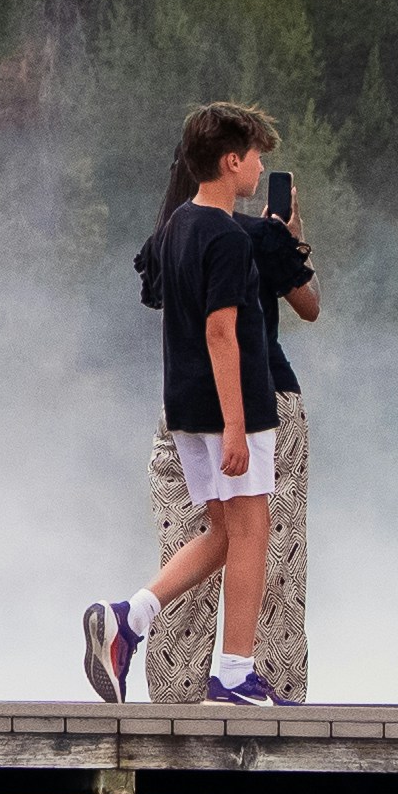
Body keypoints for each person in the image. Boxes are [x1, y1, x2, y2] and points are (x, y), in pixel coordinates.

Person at [105, 104, 307, 705]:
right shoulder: (223, 235)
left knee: (222, 531)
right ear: (231, 161)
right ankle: (236, 672)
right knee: (253, 531)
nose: (260, 167)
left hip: (185, 407)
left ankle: (130, 617)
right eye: (255, 156)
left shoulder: (175, 229)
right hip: (231, 408)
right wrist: (239, 425)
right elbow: (223, 333)